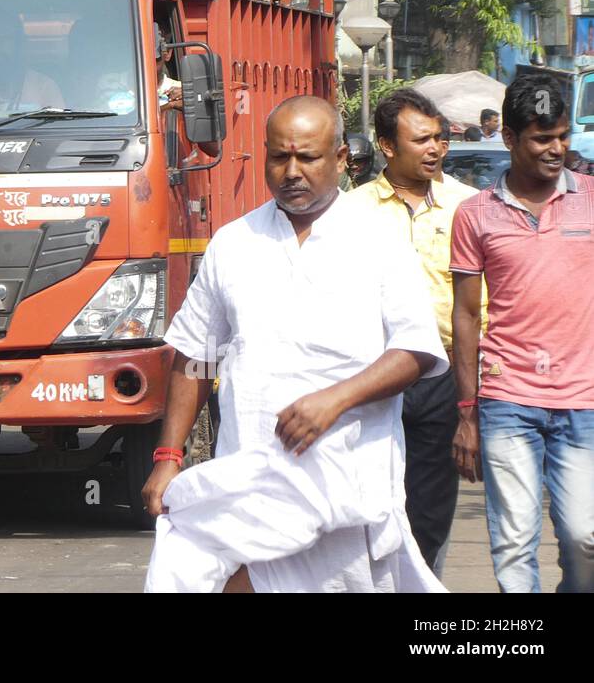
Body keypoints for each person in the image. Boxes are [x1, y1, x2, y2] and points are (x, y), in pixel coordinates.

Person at [141, 95, 446, 592]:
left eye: (307, 157)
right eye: (279, 157)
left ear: (342, 159)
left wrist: (334, 400)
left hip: (346, 486)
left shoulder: (378, 240)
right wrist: (168, 457)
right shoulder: (234, 243)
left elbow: (414, 352)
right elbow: (196, 354)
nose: (292, 171)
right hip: (250, 483)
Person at [450, 73, 594, 593]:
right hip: (507, 400)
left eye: (562, 136)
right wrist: (467, 412)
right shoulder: (475, 215)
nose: (556, 149)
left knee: (585, 536)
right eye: (541, 138)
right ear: (509, 138)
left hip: (584, 400)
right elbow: (466, 316)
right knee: (513, 542)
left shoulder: (592, 200)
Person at [348, 90, 481, 576]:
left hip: (445, 375)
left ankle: (423, 590)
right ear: (386, 145)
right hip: (374, 376)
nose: (435, 149)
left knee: (430, 508)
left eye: (439, 139)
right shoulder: (350, 213)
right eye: (420, 139)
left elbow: (484, 302)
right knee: (374, 502)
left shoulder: (469, 206)